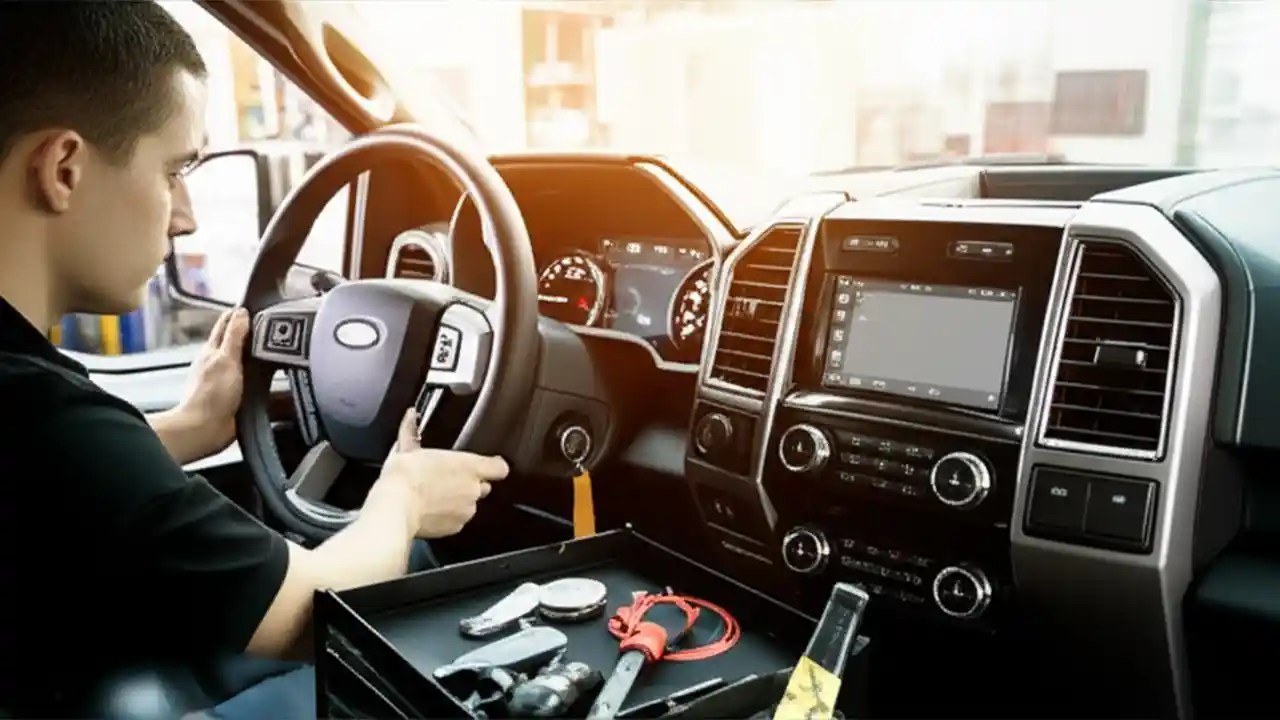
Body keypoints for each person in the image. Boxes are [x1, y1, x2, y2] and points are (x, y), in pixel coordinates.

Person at [0, 3, 509, 717]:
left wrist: (187, 428)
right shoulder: (44, 414)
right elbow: (313, 610)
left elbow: (61, 486)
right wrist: (404, 501)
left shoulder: (35, 408)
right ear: (63, 169)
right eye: (174, 171)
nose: (187, 217)